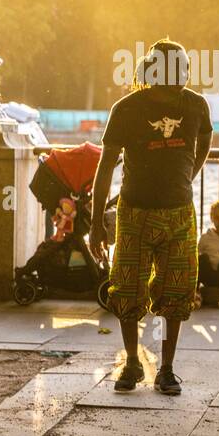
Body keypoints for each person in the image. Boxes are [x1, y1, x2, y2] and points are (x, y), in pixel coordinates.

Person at [88, 39, 211, 396]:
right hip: (134, 213)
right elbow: (106, 165)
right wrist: (96, 223)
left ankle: (167, 369)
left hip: (180, 214)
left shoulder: (197, 106)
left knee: (178, 291)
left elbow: (204, 145)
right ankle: (131, 363)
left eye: (181, 71)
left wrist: (188, 176)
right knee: (126, 289)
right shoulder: (126, 108)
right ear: (152, 72)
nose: (176, 80)